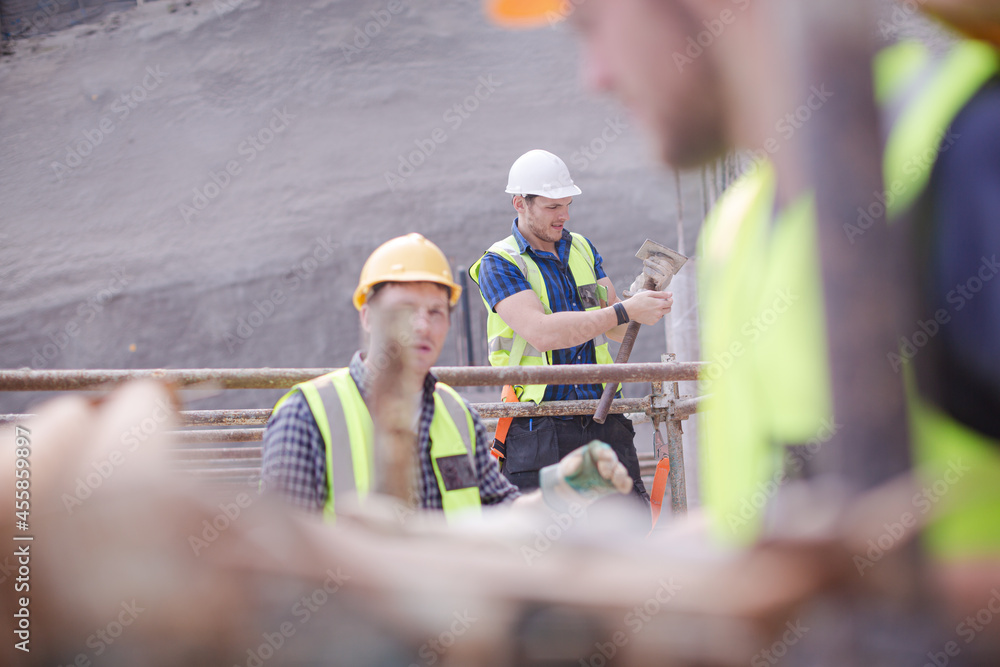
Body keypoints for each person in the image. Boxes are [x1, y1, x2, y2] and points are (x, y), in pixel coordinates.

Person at [484, 0, 1000, 559]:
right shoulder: (738, 227)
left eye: (593, 26)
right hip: (539, 428)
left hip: (595, 419)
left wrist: (898, 607)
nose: (597, 76)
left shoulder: (971, 158)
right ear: (521, 203)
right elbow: (759, 525)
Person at [261, 232, 634, 521]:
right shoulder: (307, 415)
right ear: (366, 316)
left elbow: (499, 518)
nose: (422, 326)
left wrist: (562, 488)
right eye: (405, 310)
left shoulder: (456, 415)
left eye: (436, 312)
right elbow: (280, 555)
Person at [469, 149, 676, 504]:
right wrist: (626, 310)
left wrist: (644, 299)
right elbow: (542, 332)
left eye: (566, 205)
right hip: (539, 425)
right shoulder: (499, 264)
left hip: (603, 417)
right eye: (552, 207)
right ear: (520, 203)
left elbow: (614, 329)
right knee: (546, 543)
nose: (563, 215)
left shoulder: (581, 248)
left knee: (623, 533)